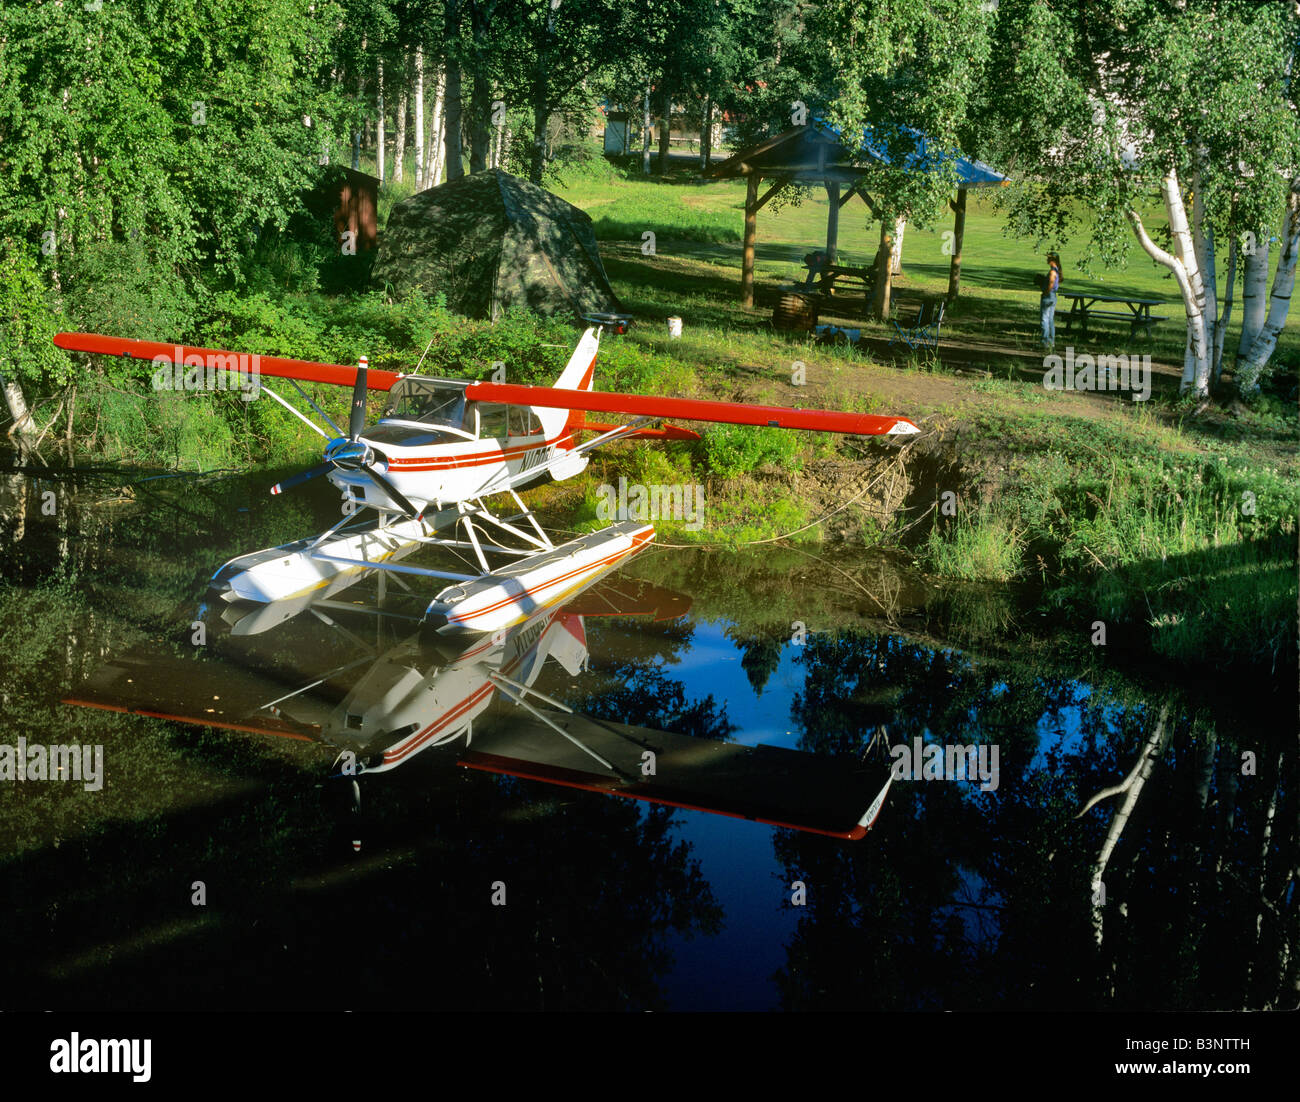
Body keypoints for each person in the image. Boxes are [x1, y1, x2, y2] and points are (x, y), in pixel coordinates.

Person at [1039, 252, 1062, 350]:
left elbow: (1051, 284)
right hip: (1053, 296)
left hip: (1048, 296)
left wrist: (1045, 292)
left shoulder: (1052, 271)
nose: (1047, 259)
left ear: (1052, 260)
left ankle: (1045, 342)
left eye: (1048, 258)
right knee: (1050, 320)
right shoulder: (1057, 270)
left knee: (1044, 319)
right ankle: (1051, 342)